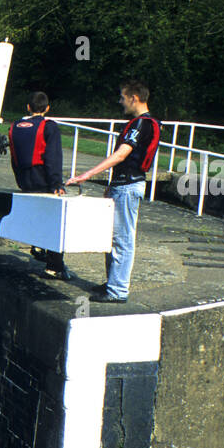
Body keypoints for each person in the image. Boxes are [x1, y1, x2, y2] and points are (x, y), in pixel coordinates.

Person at [67, 80, 160, 303]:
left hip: (128, 186)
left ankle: (117, 290)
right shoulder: (146, 123)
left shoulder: (141, 124)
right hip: (123, 185)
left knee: (122, 240)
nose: (120, 101)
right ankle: (113, 283)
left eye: (122, 97)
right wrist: (111, 184)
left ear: (133, 98)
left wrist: (87, 174)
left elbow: (121, 155)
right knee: (113, 237)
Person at [8, 92, 69, 279]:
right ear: (47, 108)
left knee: (35, 215)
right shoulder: (49, 127)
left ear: (28, 107)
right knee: (54, 221)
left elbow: (13, 158)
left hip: (24, 180)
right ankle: (54, 266)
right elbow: (53, 157)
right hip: (43, 179)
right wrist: (56, 182)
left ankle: (37, 245)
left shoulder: (14, 126)